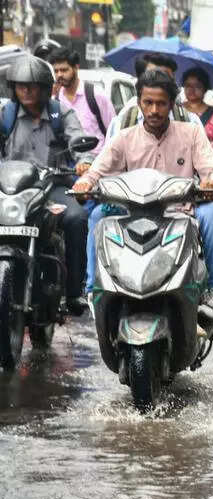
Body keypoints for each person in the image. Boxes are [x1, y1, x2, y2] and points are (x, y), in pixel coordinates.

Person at [72, 70, 213, 320]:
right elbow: (95, 172)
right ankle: (94, 288)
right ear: (139, 102)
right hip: (131, 213)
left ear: (171, 104)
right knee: (98, 214)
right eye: (148, 102)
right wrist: (84, 183)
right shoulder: (124, 138)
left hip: (180, 211)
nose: (154, 110)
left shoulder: (191, 133)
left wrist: (212, 181)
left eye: (161, 103)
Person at [1, 54, 93, 314]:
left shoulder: (60, 113)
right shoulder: (5, 116)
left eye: (33, 86)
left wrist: (84, 164)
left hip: (52, 187)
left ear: (45, 88)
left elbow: (80, 142)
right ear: (14, 88)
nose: (27, 91)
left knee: (76, 218)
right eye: (21, 86)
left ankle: (75, 291)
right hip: (12, 192)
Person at [105, 53, 202, 141]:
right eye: (153, 76)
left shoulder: (190, 122)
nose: (154, 110)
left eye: (166, 78)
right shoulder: (122, 123)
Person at [51, 47, 115, 153]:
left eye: (64, 70)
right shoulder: (56, 101)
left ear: (76, 68)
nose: (59, 75)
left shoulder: (96, 95)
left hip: (98, 162)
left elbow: (113, 132)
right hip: (70, 165)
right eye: (56, 71)